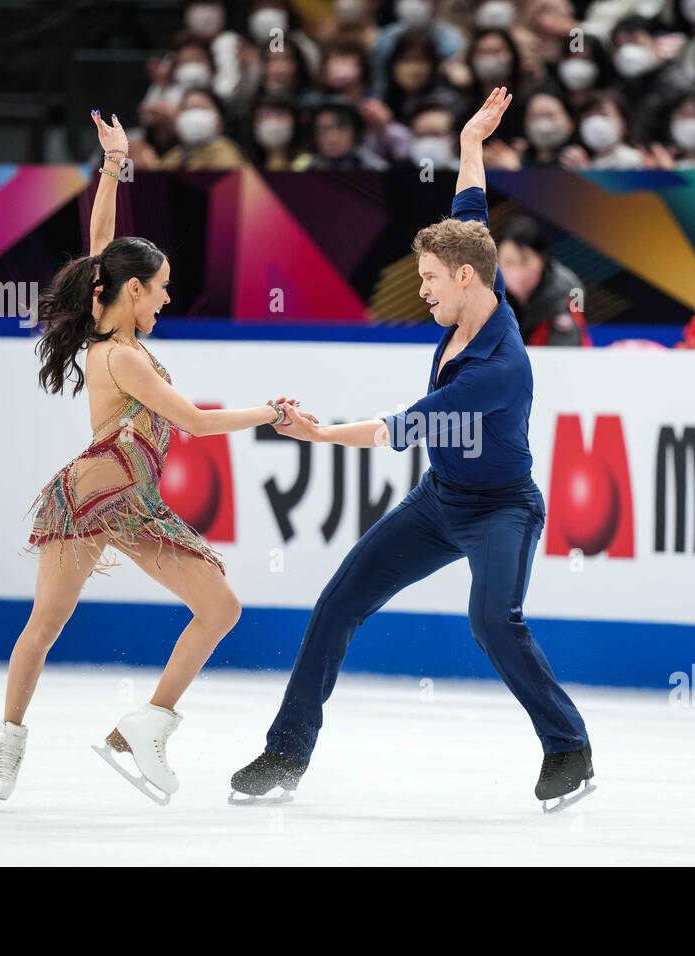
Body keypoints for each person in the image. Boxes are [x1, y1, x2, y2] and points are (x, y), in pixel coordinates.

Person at [229, 88, 594, 813]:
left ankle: (568, 748)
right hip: (439, 504)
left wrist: (319, 432)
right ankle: (287, 751)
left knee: (492, 622)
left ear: (463, 280)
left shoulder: (499, 369)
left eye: (429, 281)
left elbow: (396, 429)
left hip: (501, 510)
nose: (421, 292)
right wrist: (469, 142)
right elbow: (471, 212)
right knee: (337, 604)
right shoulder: (474, 270)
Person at [0, 111, 303, 811]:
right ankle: (11, 735)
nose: (165, 297)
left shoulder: (108, 322)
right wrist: (271, 414)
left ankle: (145, 727)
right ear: (134, 293)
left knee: (217, 606)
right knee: (48, 625)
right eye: (159, 288)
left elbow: (101, 246)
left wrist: (114, 165)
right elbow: (190, 420)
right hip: (95, 497)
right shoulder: (122, 353)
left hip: (122, 500)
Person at [496, 216, 591, 346]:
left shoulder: (569, 293)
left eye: (525, 262)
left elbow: (566, 356)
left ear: (542, 259)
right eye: (509, 262)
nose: (517, 273)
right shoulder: (485, 291)